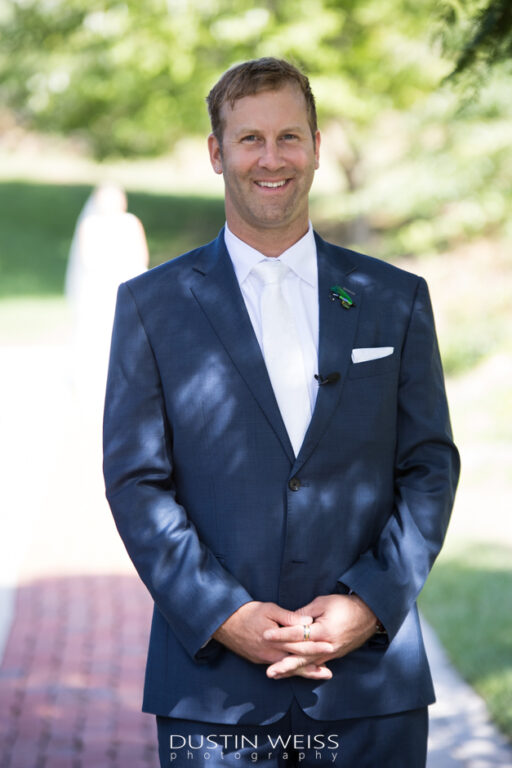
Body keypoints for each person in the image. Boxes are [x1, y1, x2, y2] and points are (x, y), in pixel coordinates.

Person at [103, 58, 460, 768]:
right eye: (250, 139)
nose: (272, 159)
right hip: (213, 693)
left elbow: (429, 469)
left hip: (371, 687)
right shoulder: (151, 306)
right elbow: (137, 482)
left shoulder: (394, 297)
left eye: (290, 137)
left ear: (317, 147)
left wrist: (369, 604)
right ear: (216, 152)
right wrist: (223, 615)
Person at [66, 183, 149, 407]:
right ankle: (93, 384)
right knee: (95, 334)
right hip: (99, 287)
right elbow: (87, 259)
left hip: (125, 282)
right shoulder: (90, 225)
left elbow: (141, 256)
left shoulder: (131, 223)